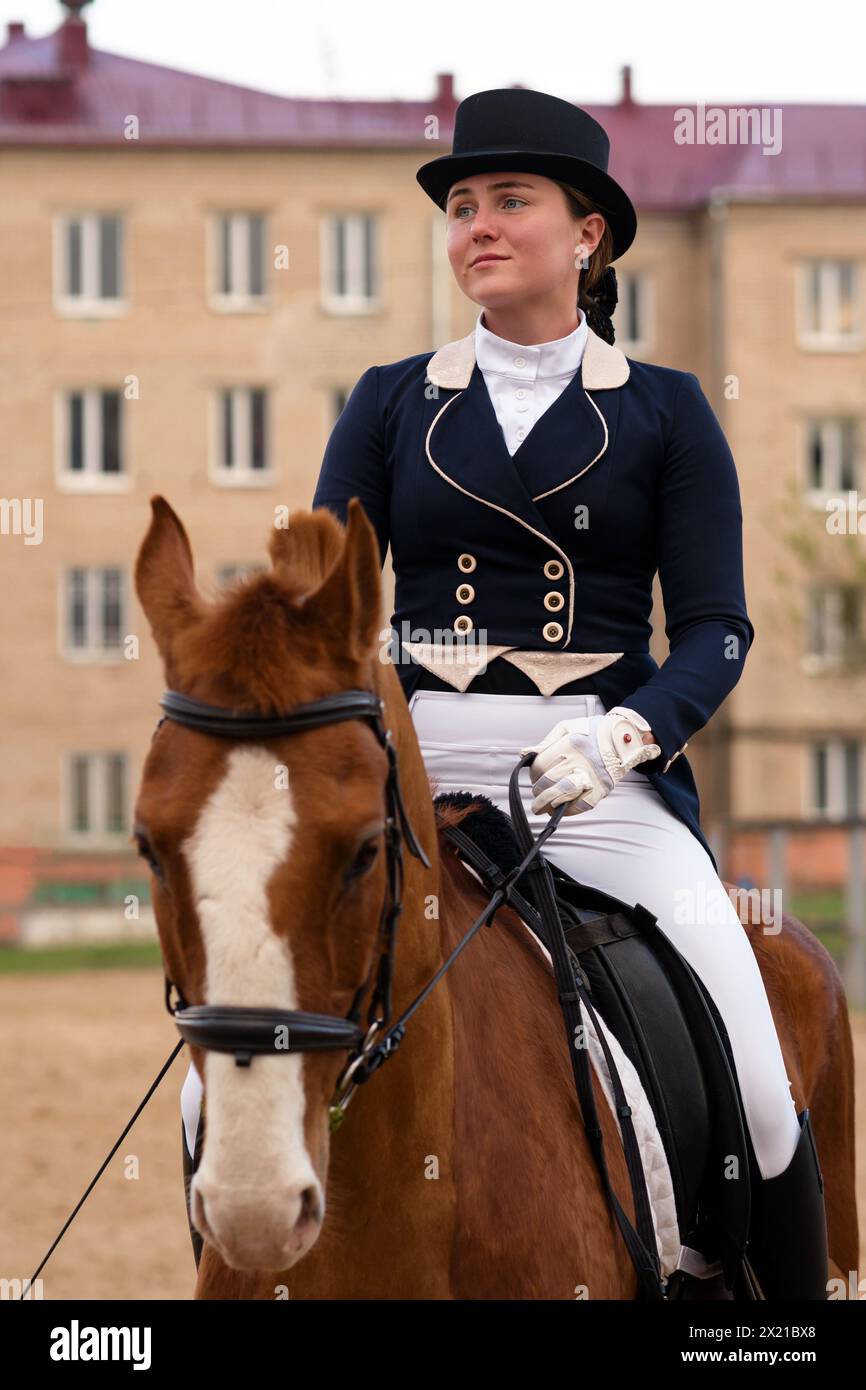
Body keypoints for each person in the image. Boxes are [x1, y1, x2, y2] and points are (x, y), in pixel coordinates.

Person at [183, 86, 829, 1299]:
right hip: (410, 773)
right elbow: (326, 610)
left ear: (587, 234)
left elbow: (716, 631)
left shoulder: (663, 409)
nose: (476, 224)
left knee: (750, 1054)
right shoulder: (390, 400)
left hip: (599, 784)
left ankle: (772, 1322)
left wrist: (620, 738)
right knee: (222, 1050)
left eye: (508, 202)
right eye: (461, 205)